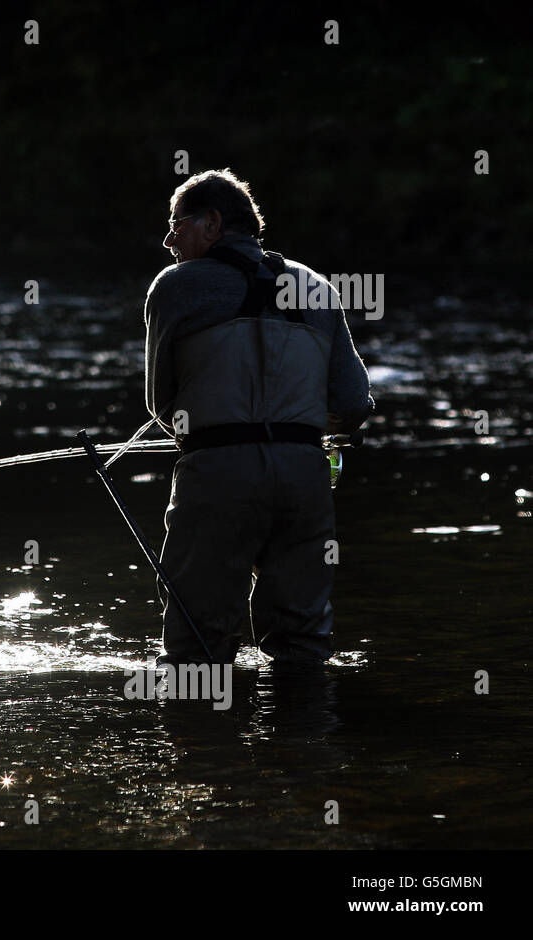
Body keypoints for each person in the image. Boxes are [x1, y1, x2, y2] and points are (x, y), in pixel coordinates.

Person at [144, 169, 373, 667]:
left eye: (176, 225)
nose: (168, 240)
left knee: (195, 653)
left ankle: (202, 742)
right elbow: (355, 404)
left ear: (211, 223)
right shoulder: (316, 287)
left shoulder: (177, 286)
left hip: (217, 474)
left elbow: (160, 405)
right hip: (305, 478)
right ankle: (302, 739)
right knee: (303, 647)